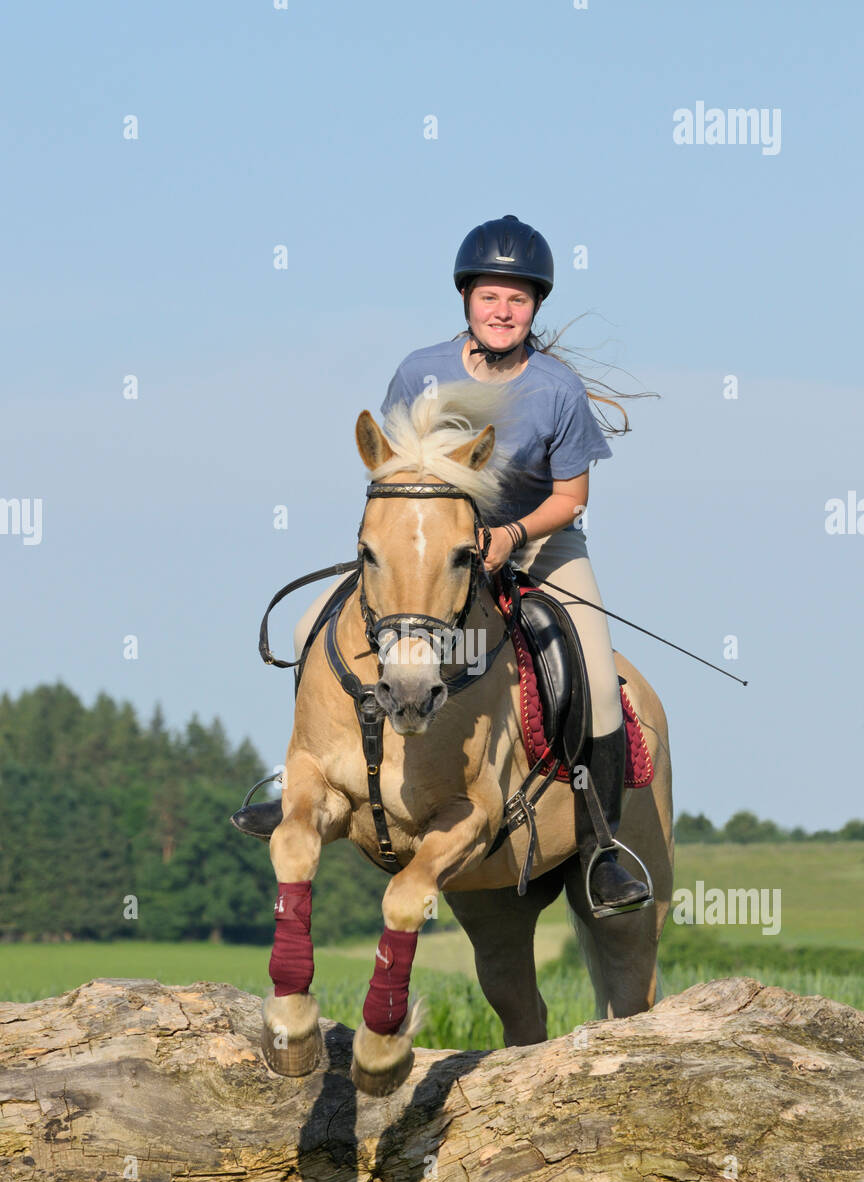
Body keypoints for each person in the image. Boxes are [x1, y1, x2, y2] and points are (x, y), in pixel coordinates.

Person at [238, 214, 651, 915]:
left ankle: (603, 849)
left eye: (517, 300)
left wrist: (507, 534)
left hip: (539, 544)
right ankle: (296, 783)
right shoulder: (418, 370)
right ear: (466, 300)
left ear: (535, 308)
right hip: (426, 550)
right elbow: (390, 472)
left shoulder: (555, 390)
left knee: (600, 678)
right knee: (320, 621)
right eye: (490, 297)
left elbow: (571, 497)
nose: (502, 311)